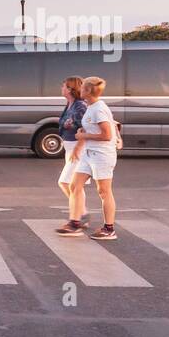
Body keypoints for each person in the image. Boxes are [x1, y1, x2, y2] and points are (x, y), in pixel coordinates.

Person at [57, 75, 119, 240]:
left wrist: (83, 136)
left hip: (102, 155)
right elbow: (113, 124)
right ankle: (75, 223)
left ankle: (109, 228)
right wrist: (84, 136)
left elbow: (106, 135)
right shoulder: (91, 106)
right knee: (74, 185)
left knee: (104, 191)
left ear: (87, 91)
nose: (80, 89)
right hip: (88, 154)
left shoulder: (98, 108)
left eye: (82, 87)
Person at [54, 76, 88, 227]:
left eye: (64, 86)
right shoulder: (70, 104)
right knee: (75, 185)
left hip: (77, 149)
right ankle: (81, 215)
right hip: (70, 149)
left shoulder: (80, 106)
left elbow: (85, 128)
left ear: (70, 89)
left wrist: (78, 148)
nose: (61, 89)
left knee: (65, 182)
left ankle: (80, 214)